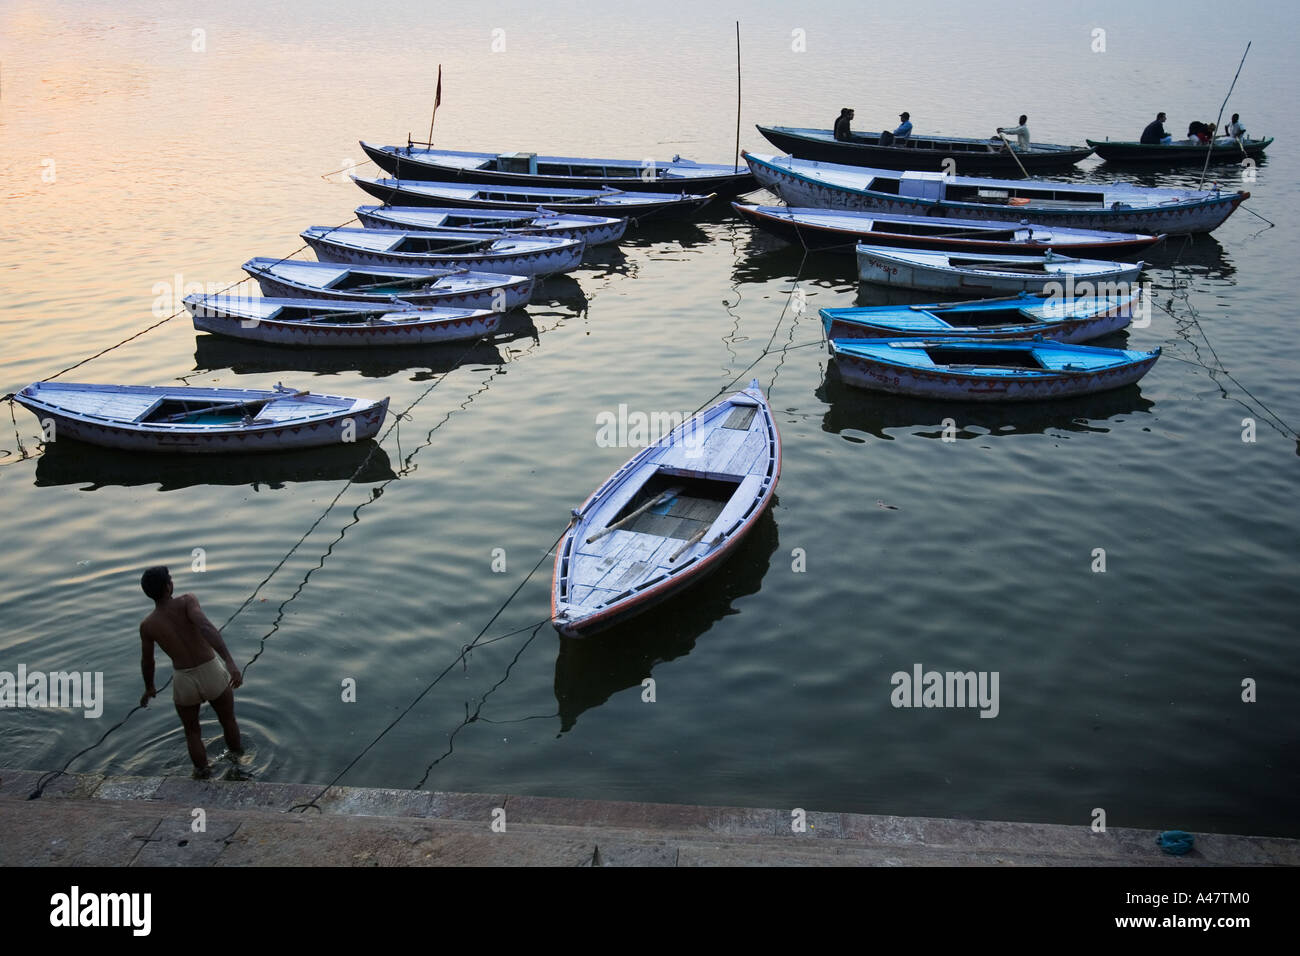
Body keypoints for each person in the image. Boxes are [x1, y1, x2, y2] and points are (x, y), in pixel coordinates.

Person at [139, 566, 243, 777]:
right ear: (169, 586)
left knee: (192, 731)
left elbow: (147, 661)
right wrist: (229, 661)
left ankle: (203, 773)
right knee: (228, 720)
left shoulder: (148, 625)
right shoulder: (187, 601)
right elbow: (205, 627)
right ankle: (237, 764)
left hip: (184, 680)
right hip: (211, 671)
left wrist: (149, 687)